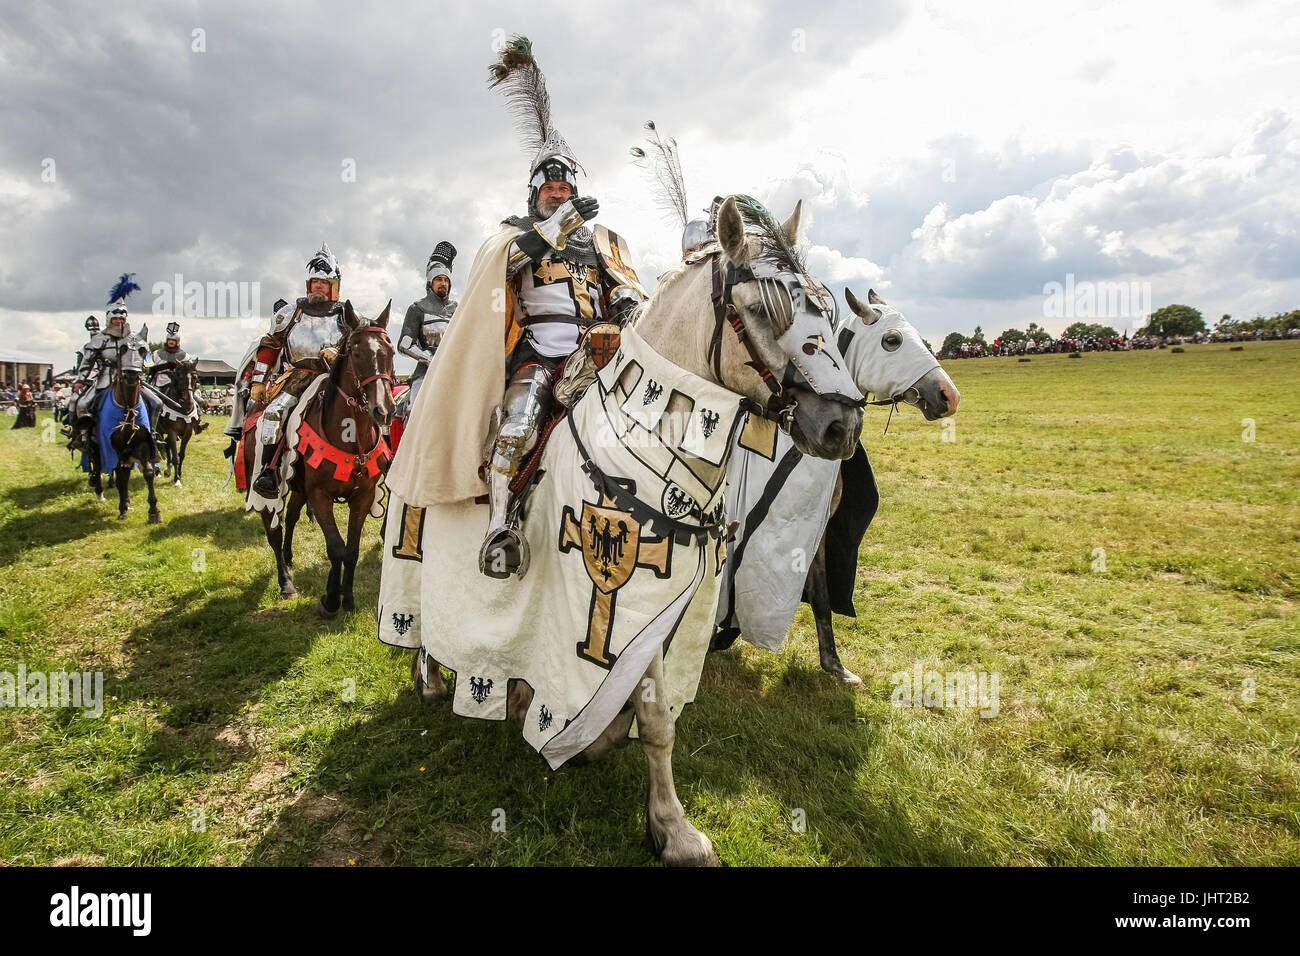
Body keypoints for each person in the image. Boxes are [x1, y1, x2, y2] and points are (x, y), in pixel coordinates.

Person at [392, 42, 646, 578]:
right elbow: (499, 270)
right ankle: (500, 529)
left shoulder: (603, 238)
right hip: (534, 353)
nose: (558, 193)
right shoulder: (514, 234)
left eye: (565, 187)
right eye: (550, 187)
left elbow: (627, 287)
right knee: (514, 430)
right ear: (535, 193)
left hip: (593, 351)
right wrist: (554, 229)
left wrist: (619, 311)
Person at [248, 243, 347, 498]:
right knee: (273, 413)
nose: (318, 286)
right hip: (297, 378)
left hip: (332, 379)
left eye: (323, 282)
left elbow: (357, 345)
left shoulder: (345, 315)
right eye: (314, 281)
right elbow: (270, 346)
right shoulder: (291, 313)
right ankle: (268, 472)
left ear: (333, 286)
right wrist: (259, 381)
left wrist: (338, 354)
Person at [397, 241, 457, 414]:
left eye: (446, 280)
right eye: (439, 279)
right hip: (425, 373)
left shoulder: (457, 309)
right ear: (430, 282)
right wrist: (430, 359)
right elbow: (405, 343)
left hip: (453, 372)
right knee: (415, 411)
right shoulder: (417, 308)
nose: (443, 283)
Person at [148, 321, 208, 432]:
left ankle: (197, 423)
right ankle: (150, 427)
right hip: (160, 383)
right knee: (150, 402)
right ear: (167, 341)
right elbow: (149, 367)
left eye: (173, 341)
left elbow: (190, 369)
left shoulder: (185, 356)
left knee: (193, 401)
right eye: (169, 340)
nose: (171, 342)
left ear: (178, 342)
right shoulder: (156, 353)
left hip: (178, 385)